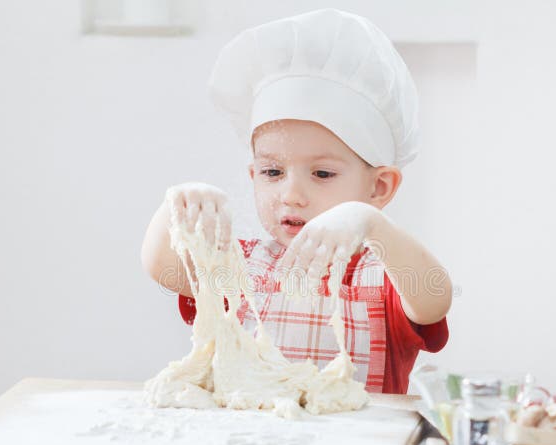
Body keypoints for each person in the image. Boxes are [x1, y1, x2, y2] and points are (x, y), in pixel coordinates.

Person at [141, 9, 452, 394]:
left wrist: (373, 225)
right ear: (254, 176)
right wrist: (177, 206)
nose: (291, 194)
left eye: (322, 174)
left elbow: (434, 299)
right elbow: (162, 266)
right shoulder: (241, 272)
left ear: (379, 188)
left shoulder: (384, 277)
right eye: (273, 173)